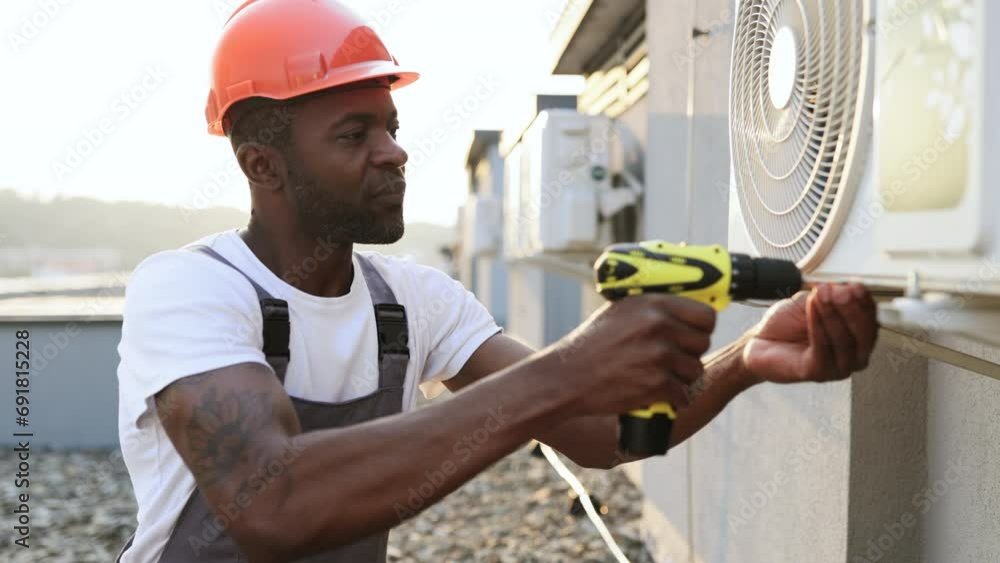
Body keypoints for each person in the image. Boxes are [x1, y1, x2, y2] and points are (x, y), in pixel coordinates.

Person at [114, 1, 880, 562]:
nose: (394, 154)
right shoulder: (186, 291)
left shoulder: (410, 302)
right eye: (355, 134)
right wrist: (571, 367)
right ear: (263, 165)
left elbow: (603, 433)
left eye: (391, 127)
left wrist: (744, 361)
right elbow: (270, 501)